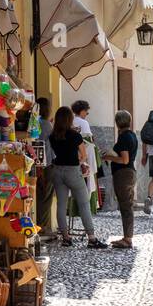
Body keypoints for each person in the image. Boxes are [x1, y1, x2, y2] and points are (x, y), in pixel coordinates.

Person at [50, 106, 107, 249]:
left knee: (61, 206)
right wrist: (80, 163)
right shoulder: (75, 136)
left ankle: (66, 238)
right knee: (84, 204)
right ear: (70, 119)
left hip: (57, 171)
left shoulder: (53, 136)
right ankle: (92, 238)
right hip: (73, 172)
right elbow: (83, 155)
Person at [102, 110, 139, 249]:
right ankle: (127, 237)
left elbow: (124, 160)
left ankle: (128, 239)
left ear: (117, 123)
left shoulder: (124, 138)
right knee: (126, 206)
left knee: (126, 207)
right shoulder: (132, 135)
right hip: (129, 173)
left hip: (123, 174)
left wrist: (108, 157)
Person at [36, 97, 56, 238]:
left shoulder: (36, 123)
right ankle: (43, 226)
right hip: (46, 165)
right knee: (46, 197)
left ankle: (41, 225)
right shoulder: (46, 125)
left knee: (40, 196)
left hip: (38, 165)